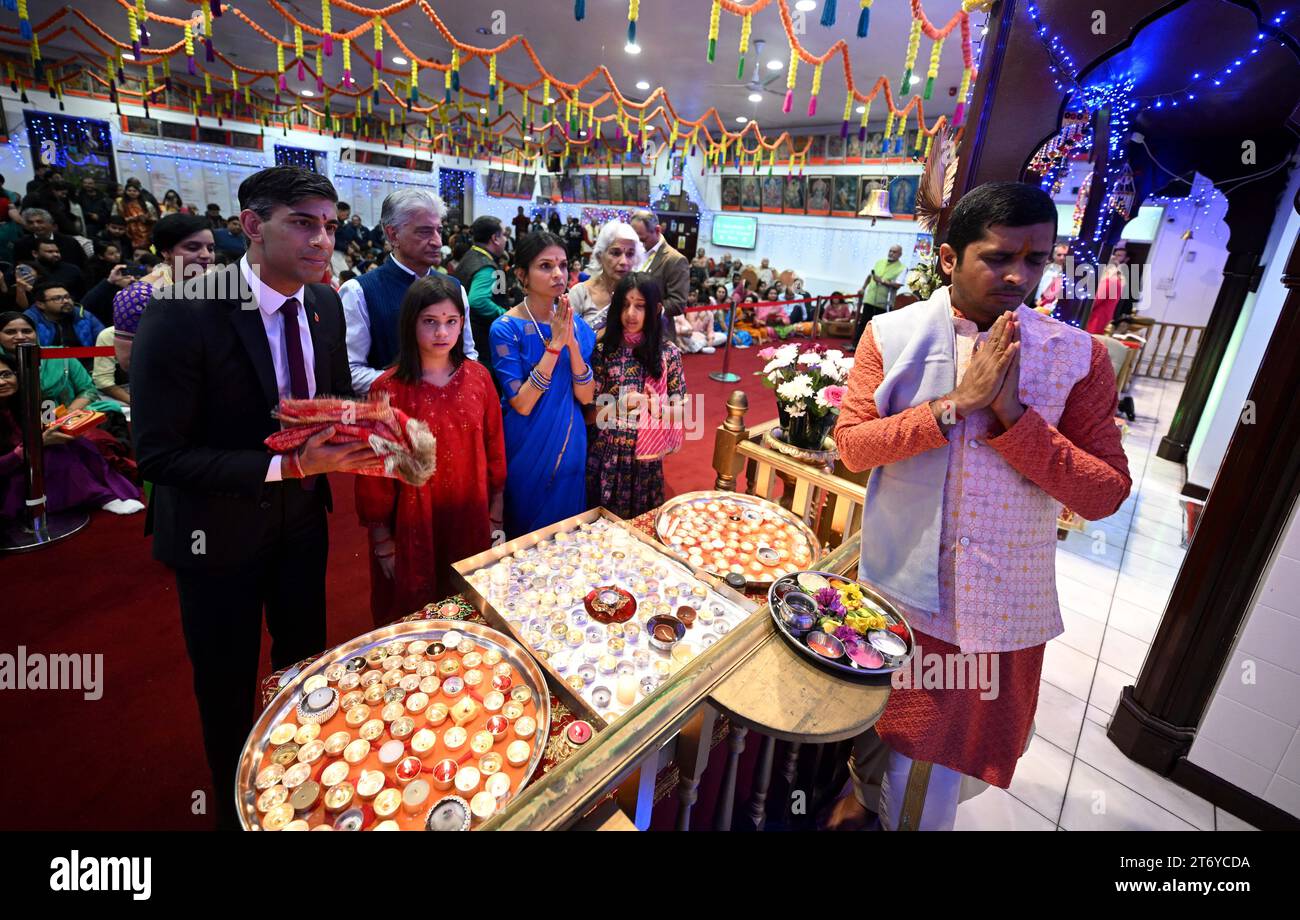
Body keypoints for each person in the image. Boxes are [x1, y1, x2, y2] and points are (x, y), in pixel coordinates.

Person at [828, 182, 1131, 832]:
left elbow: (1104, 492)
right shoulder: (890, 334)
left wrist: (1015, 417)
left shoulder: (1079, 358)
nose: (1018, 275)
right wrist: (955, 406)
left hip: (995, 604)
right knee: (878, 732)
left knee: (941, 769)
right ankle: (862, 803)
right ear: (947, 257)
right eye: (997, 258)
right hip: (899, 583)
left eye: (1036, 259)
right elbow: (852, 447)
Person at [130, 166, 376, 829]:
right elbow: (157, 453)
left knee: (303, 663)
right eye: (302, 223)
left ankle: (297, 788)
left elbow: (323, 403)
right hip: (213, 535)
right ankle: (236, 805)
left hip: (301, 523)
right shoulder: (183, 311)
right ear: (250, 226)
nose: (322, 240)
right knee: (227, 684)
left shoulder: (323, 305)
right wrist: (288, 467)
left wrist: (377, 425)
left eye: (329, 225)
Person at [356, 275, 506, 623]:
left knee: (469, 608)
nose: (442, 333)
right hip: (411, 522)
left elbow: (494, 448)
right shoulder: (388, 388)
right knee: (416, 615)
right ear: (411, 324)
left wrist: (496, 514)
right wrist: (382, 539)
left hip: (470, 513)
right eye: (430, 322)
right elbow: (375, 469)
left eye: (451, 322)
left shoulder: (479, 378)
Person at [489, 232, 596, 537]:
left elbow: (587, 395)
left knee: (566, 535)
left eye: (562, 265)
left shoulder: (578, 324)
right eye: (546, 266)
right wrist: (554, 347)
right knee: (526, 534)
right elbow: (521, 403)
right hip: (526, 443)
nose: (558, 274)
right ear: (522, 274)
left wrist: (572, 344)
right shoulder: (506, 329)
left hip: (570, 439)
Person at [341, 189, 477, 397]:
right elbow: (351, 371)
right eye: (424, 232)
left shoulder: (454, 287)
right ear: (392, 234)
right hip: (390, 417)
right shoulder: (359, 291)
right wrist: (417, 386)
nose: (437, 242)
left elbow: (467, 354)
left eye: (439, 230)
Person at [0, 352, 141, 521]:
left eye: (6, 374)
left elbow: (86, 391)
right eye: (10, 331)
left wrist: (61, 425)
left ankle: (106, 490)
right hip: (10, 477)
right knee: (53, 451)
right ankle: (101, 496)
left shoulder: (23, 401)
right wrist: (36, 444)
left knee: (80, 441)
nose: (2, 382)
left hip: (52, 429)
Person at [588, 273, 685, 518]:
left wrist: (659, 409)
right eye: (625, 305)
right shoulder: (603, 350)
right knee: (602, 530)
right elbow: (589, 415)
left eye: (640, 306)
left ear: (656, 309)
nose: (631, 313)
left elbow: (682, 412)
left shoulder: (668, 354)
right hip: (606, 458)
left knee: (640, 529)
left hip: (645, 463)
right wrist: (618, 406)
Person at [109, 214, 217, 377]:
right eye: (193, 248)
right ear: (166, 252)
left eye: (210, 248)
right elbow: (129, 362)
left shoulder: (214, 286)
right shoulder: (138, 296)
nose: (206, 255)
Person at [452, 216, 512, 381]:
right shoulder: (486, 266)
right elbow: (477, 300)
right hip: (481, 338)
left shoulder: (469, 256)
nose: (506, 239)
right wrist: (505, 314)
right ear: (495, 238)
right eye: (504, 235)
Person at [567, 221, 643, 330]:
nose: (624, 262)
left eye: (630, 254)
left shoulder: (640, 295)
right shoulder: (580, 294)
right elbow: (566, 338)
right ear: (599, 256)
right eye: (616, 253)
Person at [629, 209, 690, 319]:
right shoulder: (631, 251)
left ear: (657, 230)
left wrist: (644, 308)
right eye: (635, 240)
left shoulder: (675, 260)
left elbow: (678, 303)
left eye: (642, 240)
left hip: (656, 329)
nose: (638, 245)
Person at [22, 281, 103, 348]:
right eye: (57, 298)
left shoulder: (84, 316)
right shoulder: (29, 320)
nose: (66, 301)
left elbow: (103, 342)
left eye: (67, 297)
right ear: (40, 304)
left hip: (86, 365)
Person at [853, 244, 906, 346]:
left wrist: (881, 281)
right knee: (863, 323)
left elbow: (898, 285)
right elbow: (870, 276)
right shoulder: (880, 262)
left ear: (900, 254)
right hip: (871, 298)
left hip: (884, 303)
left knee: (877, 329)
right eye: (890, 251)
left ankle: (871, 350)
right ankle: (855, 346)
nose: (891, 253)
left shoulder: (902, 268)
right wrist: (863, 288)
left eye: (894, 252)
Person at [13, 207, 89, 269]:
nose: (35, 225)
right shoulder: (21, 244)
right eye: (30, 223)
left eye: (39, 222)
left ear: (50, 223)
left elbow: (84, 266)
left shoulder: (69, 242)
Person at [1085, 244, 1128, 334]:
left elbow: (1094, 301)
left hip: (1095, 320)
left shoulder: (1110, 280)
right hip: (1103, 318)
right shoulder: (1116, 279)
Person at [114, 181, 158, 250]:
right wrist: (134, 218)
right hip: (126, 232)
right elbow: (115, 219)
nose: (132, 192)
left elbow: (155, 219)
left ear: (139, 192)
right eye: (129, 190)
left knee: (148, 251)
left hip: (145, 232)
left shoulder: (147, 204)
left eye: (135, 191)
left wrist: (147, 219)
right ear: (125, 191)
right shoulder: (120, 204)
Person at [1035, 242, 1069, 311]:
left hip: (1052, 309)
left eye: (1065, 255)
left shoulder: (1069, 274)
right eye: (1059, 255)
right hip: (1035, 305)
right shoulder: (1043, 268)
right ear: (1054, 255)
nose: (1062, 258)